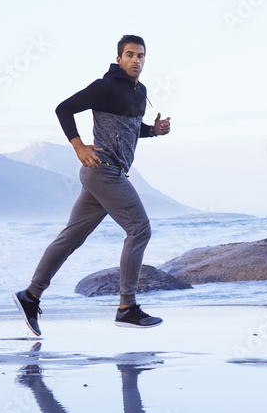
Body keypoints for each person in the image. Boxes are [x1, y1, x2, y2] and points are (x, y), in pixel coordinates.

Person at [13, 34, 171, 335]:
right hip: (103, 171)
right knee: (139, 229)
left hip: (108, 174)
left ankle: (30, 296)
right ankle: (127, 307)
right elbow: (64, 109)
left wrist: (154, 130)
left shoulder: (140, 92)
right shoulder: (105, 87)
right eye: (129, 55)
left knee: (71, 238)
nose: (135, 60)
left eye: (140, 56)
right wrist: (79, 146)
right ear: (118, 58)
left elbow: (129, 131)